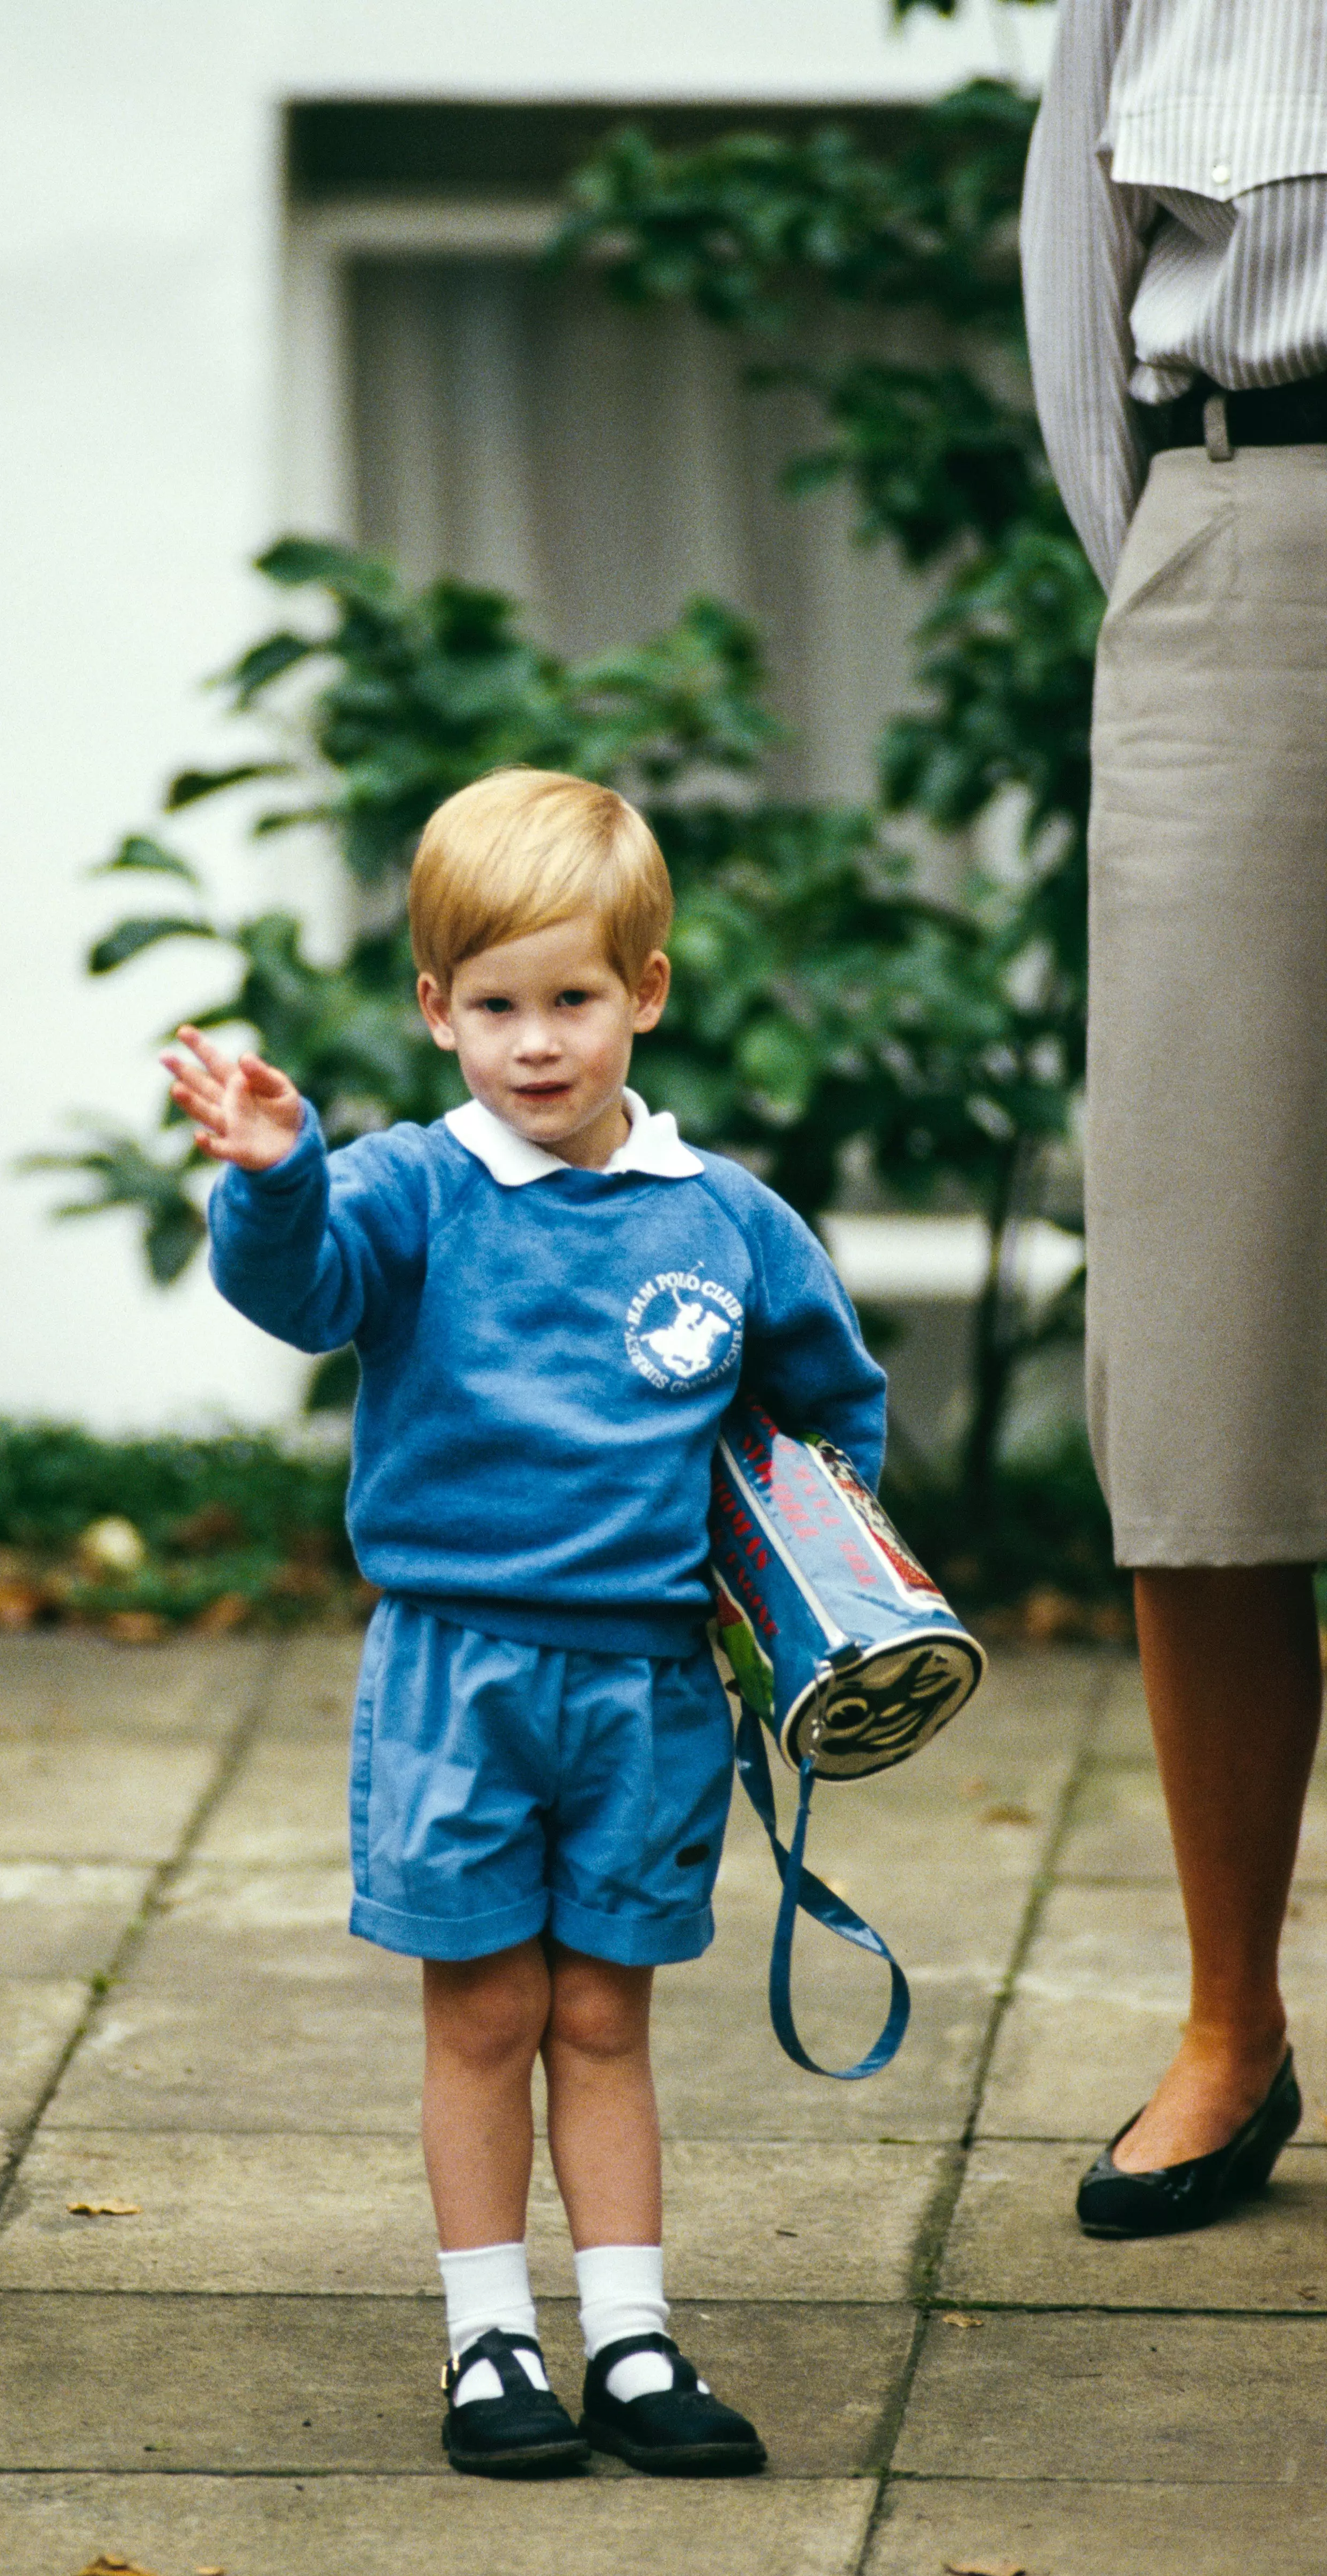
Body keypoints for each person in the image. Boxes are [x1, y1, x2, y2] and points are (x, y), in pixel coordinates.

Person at [168, 768, 885, 2475]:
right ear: (438, 1013)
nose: (538, 1044)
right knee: (483, 2012)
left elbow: (828, 1409)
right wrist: (278, 1176)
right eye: (496, 1007)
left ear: (646, 991)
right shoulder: (414, 1190)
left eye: (574, 1000)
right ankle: (490, 2344)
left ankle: (632, 2347)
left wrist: (816, 1594)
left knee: (604, 2017)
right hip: (456, 1673)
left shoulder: (727, 1216)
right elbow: (302, 1292)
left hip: (649, 1688)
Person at [1023, 0, 1327, 2236]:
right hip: (1256, 542)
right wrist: (1189, 574)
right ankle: (1232, 2022)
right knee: (1213, 1322)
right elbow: (1073, 242)